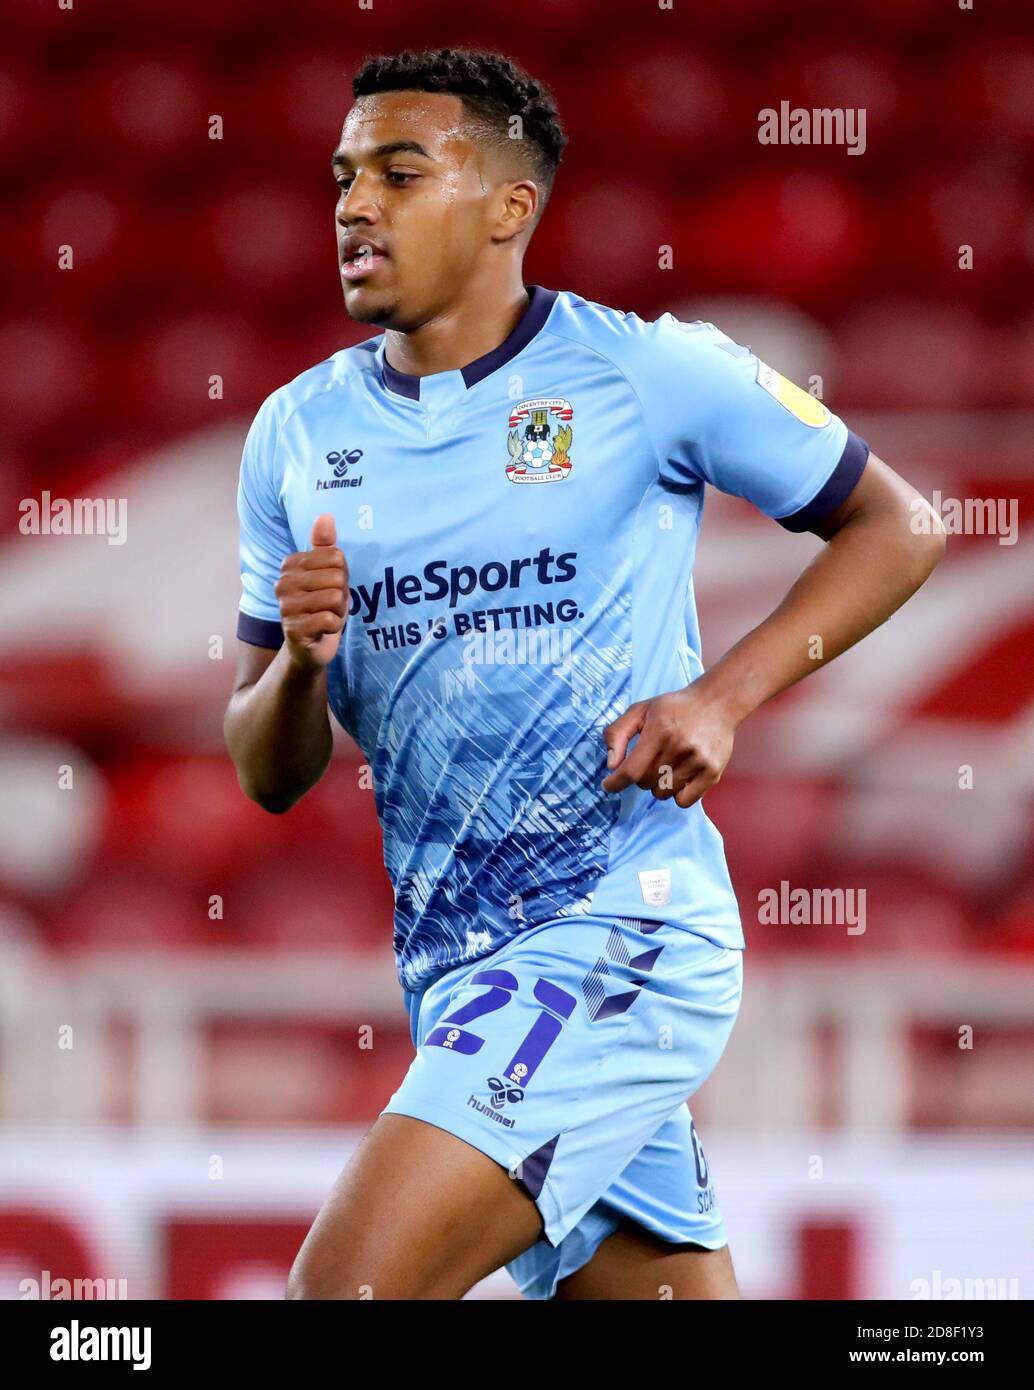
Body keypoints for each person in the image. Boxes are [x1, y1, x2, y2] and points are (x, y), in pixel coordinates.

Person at [223, 46, 945, 1300]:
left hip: (622, 931)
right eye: (342, 177)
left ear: (511, 207)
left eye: (398, 172)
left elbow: (900, 526)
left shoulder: (645, 372)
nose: (352, 205)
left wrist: (721, 697)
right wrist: (297, 663)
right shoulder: (295, 433)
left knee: (340, 1294)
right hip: (457, 965)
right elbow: (265, 772)